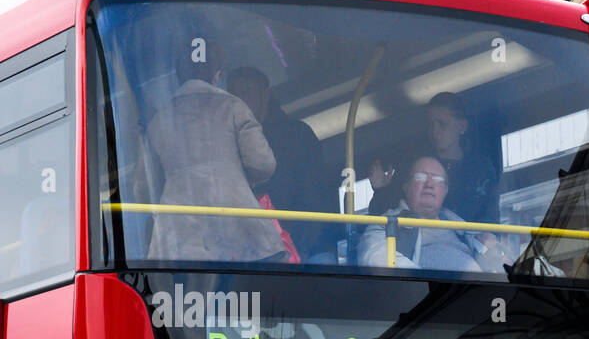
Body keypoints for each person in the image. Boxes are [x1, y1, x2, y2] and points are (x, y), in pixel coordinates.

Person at [141, 46, 284, 264]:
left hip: (178, 243)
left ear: (179, 77)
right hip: (243, 235)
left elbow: (141, 188)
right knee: (253, 297)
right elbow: (262, 164)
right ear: (217, 75)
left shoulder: (157, 123)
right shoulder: (234, 106)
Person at [225, 66, 337, 261]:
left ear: (265, 95)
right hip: (250, 254)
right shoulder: (226, 144)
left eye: (246, 92)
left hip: (301, 250)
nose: (240, 100)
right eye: (234, 95)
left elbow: (314, 198)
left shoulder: (297, 135)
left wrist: (295, 245)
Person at [356, 156, 506, 274]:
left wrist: (491, 252)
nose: (429, 184)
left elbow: (503, 264)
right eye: (420, 177)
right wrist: (431, 286)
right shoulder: (388, 222)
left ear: (445, 190)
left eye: (437, 179)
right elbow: (373, 256)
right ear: (406, 187)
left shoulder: (459, 225)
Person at [368, 91, 500, 222]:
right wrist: (381, 191)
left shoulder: (481, 169)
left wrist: (489, 237)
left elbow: (491, 216)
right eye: (431, 124)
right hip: (421, 240)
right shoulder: (412, 166)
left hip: (469, 242)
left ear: (462, 126)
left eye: (442, 124)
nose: (435, 131)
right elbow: (385, 220)